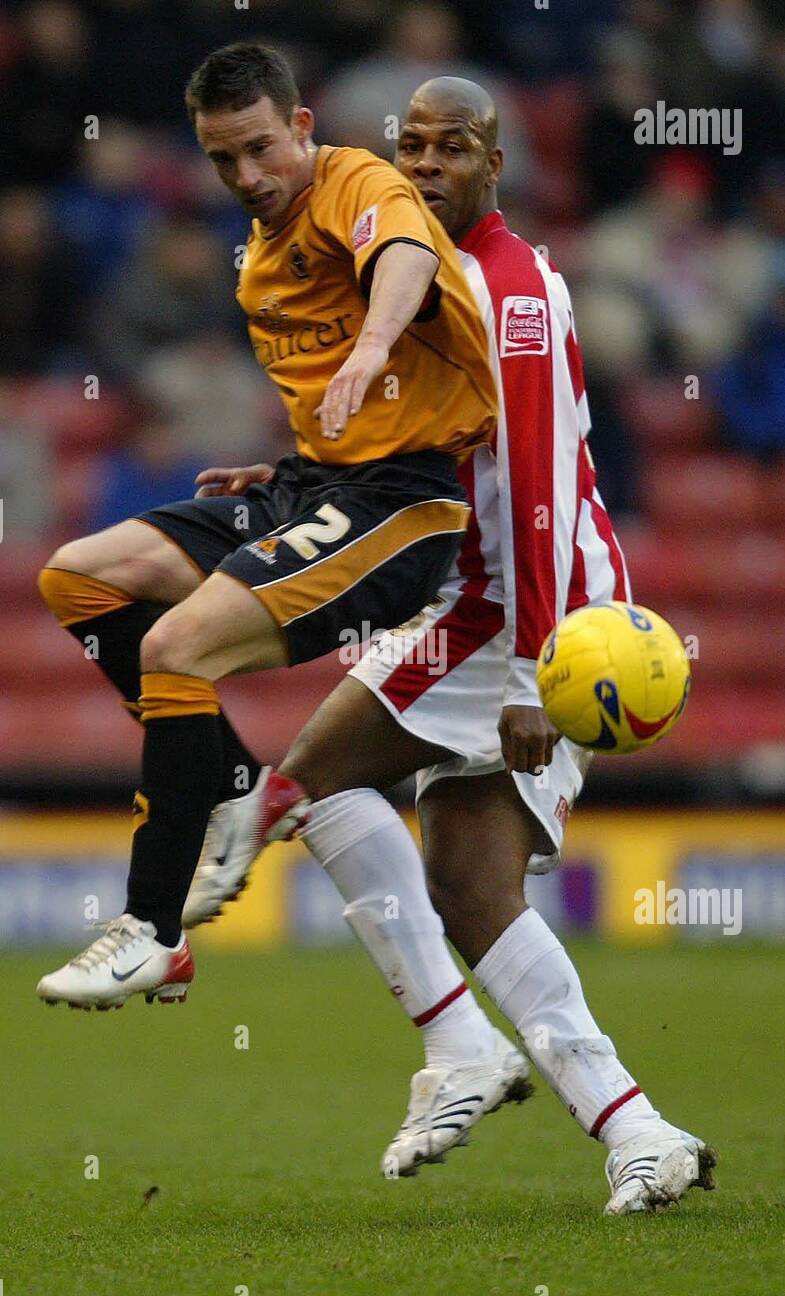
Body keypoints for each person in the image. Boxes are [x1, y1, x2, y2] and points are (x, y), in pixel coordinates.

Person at [179, 77, 716, 1214]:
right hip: (480, 601)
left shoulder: (506, 289)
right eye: (410, 145)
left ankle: (457, 1046)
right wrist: (291, 481)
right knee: (469, 887)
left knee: (310, 780)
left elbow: (535, 483)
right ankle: (639, 1132)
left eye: (453, 148)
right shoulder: (408, 268)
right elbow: (405, 443)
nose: (425, 165)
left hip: (520, 611)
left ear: (494, 165)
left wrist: (529, 672)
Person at [35, 38, 518, 1130]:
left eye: (260, 148)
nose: (246, 175)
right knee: (80, 579)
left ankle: (154, 928)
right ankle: (233, 782)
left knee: (175, 648)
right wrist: (285, 467)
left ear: (300, 127)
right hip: (315, 487)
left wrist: (373, 347)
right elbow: (334, 404)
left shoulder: (356, 180)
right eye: (222, 159)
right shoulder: (257, 260)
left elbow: (402, 256)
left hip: (404, 506)